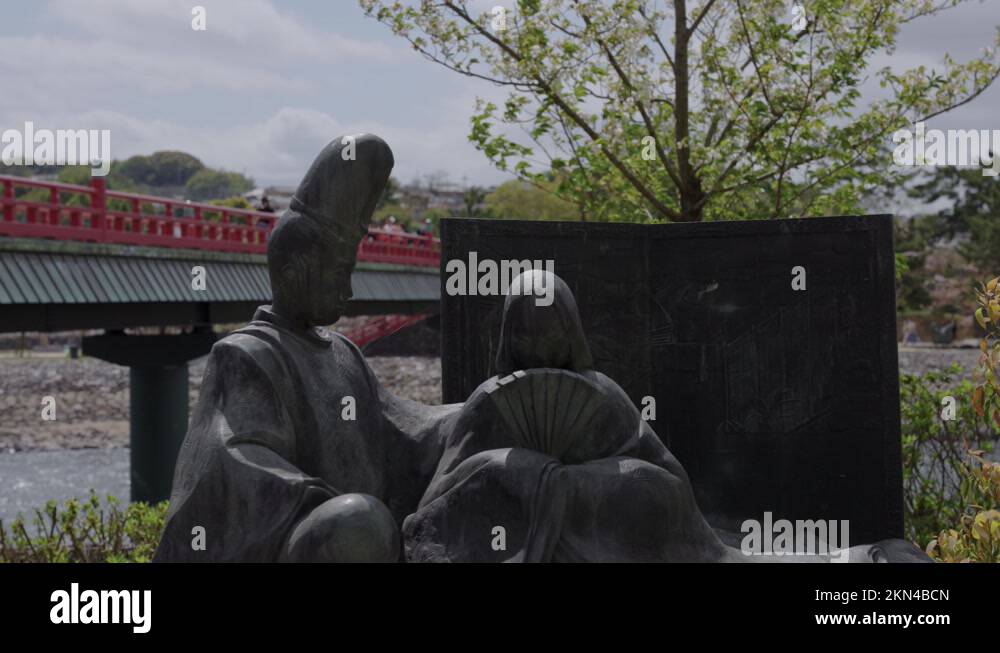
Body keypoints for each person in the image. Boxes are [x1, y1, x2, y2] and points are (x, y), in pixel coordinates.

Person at [403, 271, 928, 563]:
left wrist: (581, 487)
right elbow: (434, 507)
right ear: (507, 336)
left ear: (573, 333)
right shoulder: (488, 403)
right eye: (526, 333)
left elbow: (667, 478)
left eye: (552, 331)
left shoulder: (604, 396)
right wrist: (507, 474)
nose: (539, 346)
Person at [154, 135, 459, 563]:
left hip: (357, 529)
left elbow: (407, 430)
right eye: (339, 274)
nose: (349, 291)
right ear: (297, 273)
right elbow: (234, 465)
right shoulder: (246, 355)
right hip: (298, 544)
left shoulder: (344, 353)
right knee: (359, 522)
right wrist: (327, 505)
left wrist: (477, 411)